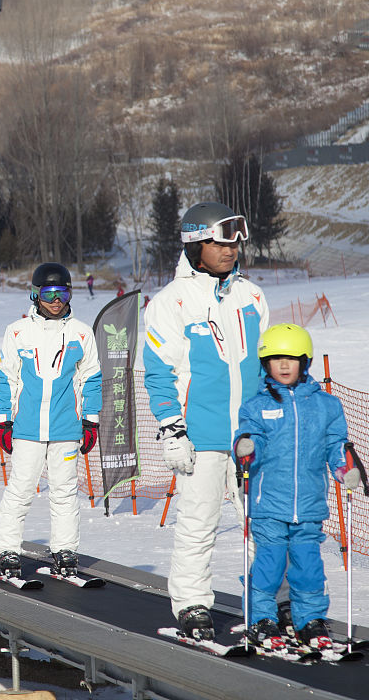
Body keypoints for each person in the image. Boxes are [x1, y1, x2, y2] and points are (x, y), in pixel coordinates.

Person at [141, 201, 269, 641]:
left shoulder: (252, 296)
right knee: (198, 526)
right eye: (220, 242)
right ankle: (192, 603)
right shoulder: (171, 302)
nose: (231, 250)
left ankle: (271, 603)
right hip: (201, 437)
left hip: (251, 436)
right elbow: (159, 374)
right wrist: (172, 430)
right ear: (196, 245)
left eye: (235, 242)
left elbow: (266, 368)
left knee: (266, 525)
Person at [234, 323, 358, 650]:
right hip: (269, 503)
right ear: (266, 364)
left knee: (308, 567)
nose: (284, 366)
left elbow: (335, 444)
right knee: (270, 565)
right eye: (276, 360)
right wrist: (246, 448)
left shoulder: (327, 405)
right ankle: (262, 618)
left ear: (305, 361)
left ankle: (310, 620)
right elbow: (249, 438)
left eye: (291, 359)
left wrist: (345, 469)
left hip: (309, 504)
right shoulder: (256, 406)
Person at [0, 264, 103, 578]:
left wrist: (90, 421)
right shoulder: (17, 331)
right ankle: (7, 550)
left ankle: (65, 550)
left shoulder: (81, 332)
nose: (56, 301)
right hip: (27, 428)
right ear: (35, 294)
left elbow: (91, 379)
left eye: (63, 294)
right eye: (49, 293)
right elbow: (6, 379)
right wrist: (4, 421)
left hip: (66, 428)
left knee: (65, 492)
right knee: (20, 490)